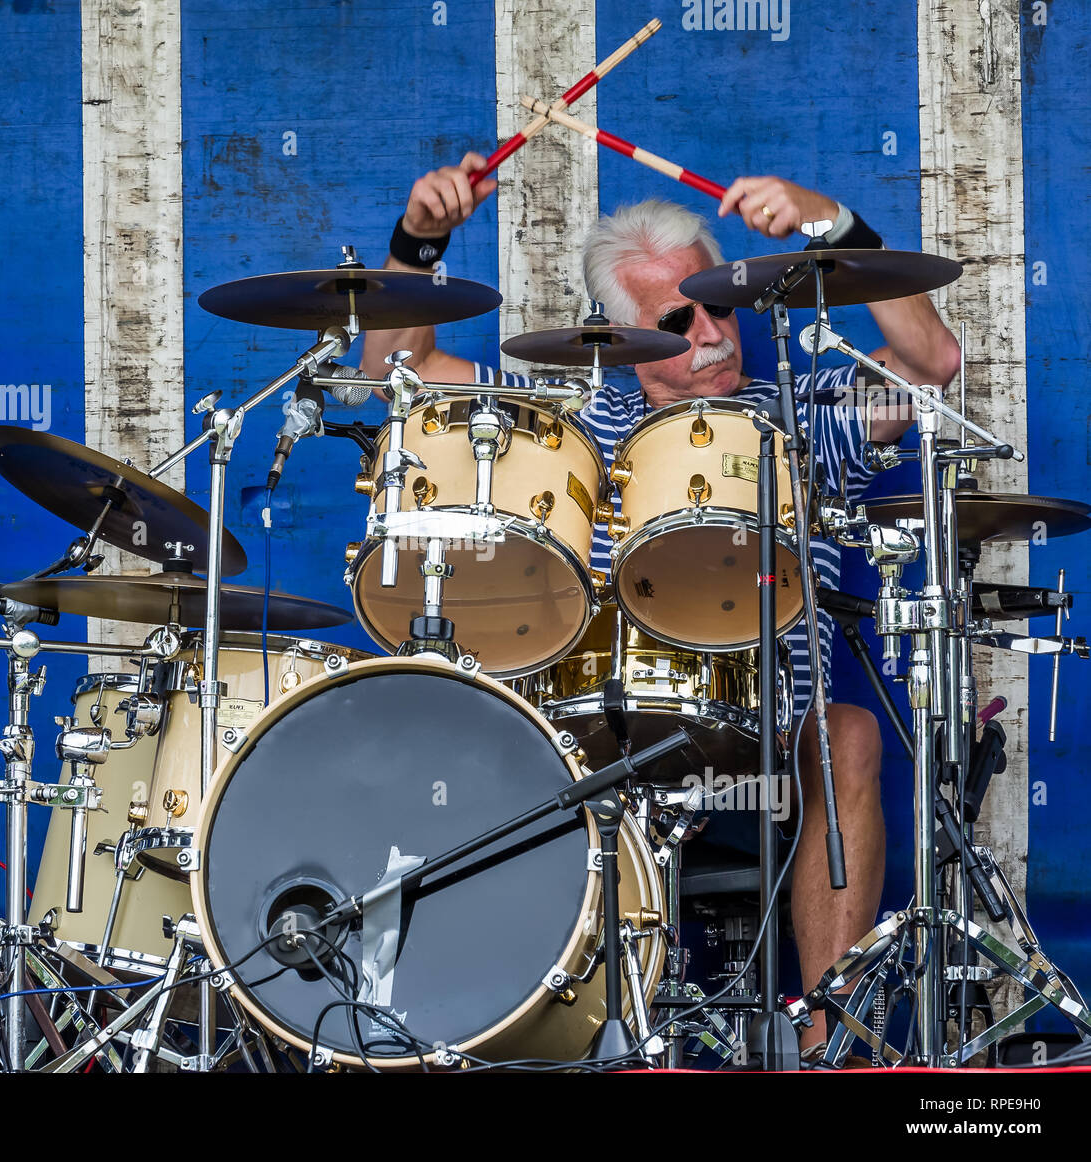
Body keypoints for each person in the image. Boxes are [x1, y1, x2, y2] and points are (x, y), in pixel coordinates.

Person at [361, 152, 961, 1057]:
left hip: (764, 727)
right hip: (586, 731)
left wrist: (830, 224)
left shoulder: (800, 418)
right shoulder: (562, 427)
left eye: (719, 302)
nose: (715, 331)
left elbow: (933, 361)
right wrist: (419, 243)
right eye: (678, 319)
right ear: (621, 335)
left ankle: (835, 1048)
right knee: (461, 729)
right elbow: (391, 381)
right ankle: (487, 1037)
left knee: (852, 734)